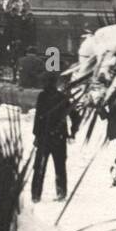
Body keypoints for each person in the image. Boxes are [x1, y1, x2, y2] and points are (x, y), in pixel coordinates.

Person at [31, 73, 77, 202]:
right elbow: (75, 115)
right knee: (60, 166)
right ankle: (61, 193)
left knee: (39, 167)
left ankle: (36, 195)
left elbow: (38, 118)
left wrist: (36, 135)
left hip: (44, 137)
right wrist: (73, 132)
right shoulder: (62, 97)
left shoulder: (42, 96)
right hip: (59, 137)